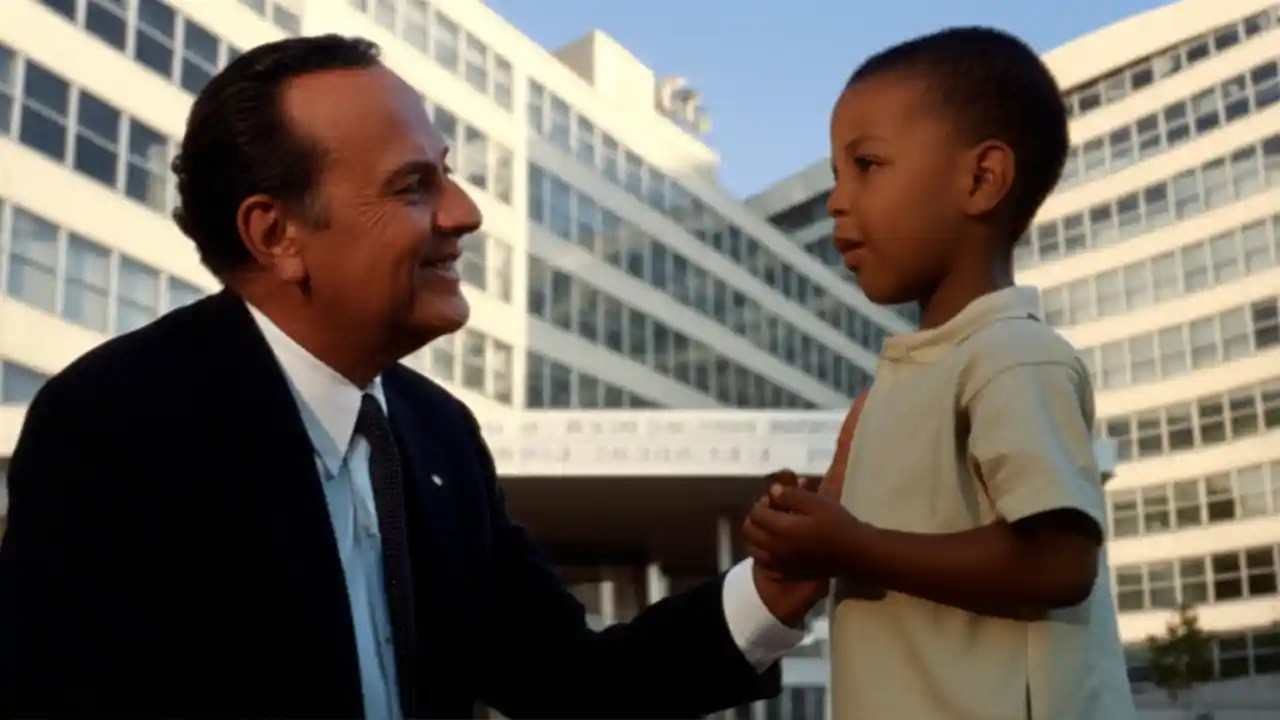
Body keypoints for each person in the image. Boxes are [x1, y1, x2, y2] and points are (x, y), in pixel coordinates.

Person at [0, 35, 824, 719]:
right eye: (413, 185)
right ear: (276, 233)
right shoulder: (115, 424)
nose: (464, 212)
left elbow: (572, 682)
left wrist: (775, 589)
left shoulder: (439, 436)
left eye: (448, 171)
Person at [742, 27, 1135, 720]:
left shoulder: (1011, 353)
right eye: (837, 174)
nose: (837, 199)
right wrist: (815, 524)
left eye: (866, 165)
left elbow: (1059, 563)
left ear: (981, 179)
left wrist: (852, 543)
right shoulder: (911, 376)